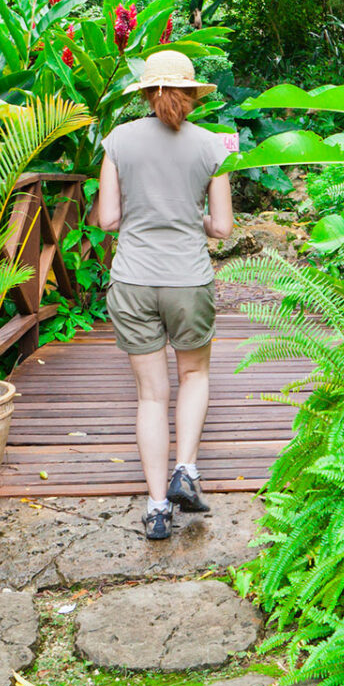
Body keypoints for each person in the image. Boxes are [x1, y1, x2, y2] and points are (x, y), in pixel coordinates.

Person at [97, 50, 234, 540]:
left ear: (146, 93)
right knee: (194, 374)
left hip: (133, 279)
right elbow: (221, 227)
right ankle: (187, 471)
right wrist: (187, 217)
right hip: (188, 280)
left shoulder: (118, 141)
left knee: (151, 396)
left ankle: (156, 509)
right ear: (193, 93)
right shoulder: (214, 147)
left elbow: (108, 220)